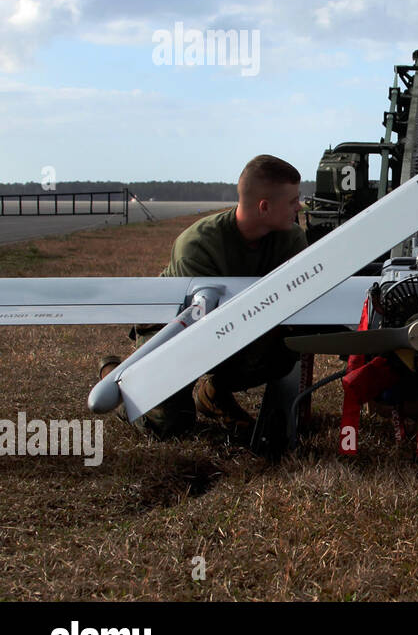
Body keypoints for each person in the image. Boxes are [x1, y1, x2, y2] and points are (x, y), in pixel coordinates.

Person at [99, 155, 307, 436]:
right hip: (177, 333)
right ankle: (116, 374)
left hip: (242, 327)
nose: (300, 206)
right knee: (170, 426)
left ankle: (214, 393)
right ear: (264, 207)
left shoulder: (290, 238)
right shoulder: (198, 245)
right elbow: (196, 331)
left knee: (283, 351)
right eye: (293, 201)